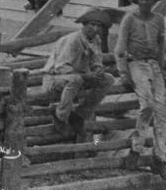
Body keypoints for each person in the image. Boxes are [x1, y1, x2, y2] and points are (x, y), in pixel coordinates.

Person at [114, 0, 166, 180]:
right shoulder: (129, 19)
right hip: (136, 63)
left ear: (155, 0)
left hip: (154, 65)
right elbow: (120, 47)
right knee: (146, 104)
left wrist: (162, 64)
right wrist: (123, 72)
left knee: (163, 109)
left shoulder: (159, 19)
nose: (146, 2)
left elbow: (161, 43)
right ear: (137, 0)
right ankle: (136, 149)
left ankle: (160, 157)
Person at [42, 8, 116, 141]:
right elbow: (61, 67)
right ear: (84, 24)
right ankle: (60, 115)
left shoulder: (95, 40)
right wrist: (86, 76)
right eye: (92, 24)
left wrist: (98, 70)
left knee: (108, 80)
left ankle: (80, 115)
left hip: (79, 77)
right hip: (54, 78)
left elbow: (96, 60)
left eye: (98, 26)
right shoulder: (73, 40)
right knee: (76, 79)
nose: (95, 28)